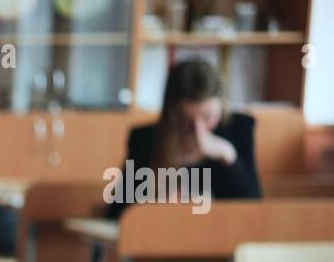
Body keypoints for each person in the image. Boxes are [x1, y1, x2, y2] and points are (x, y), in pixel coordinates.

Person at [105, 59, 261, 219]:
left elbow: (254, 212)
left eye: (207, 117)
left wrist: (228, 156)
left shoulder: (238, 130)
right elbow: (116, 214)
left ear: (221, 106)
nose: (197, 131)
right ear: (171, 113)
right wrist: (153, 202)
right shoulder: (145, 139)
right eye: (186, 120)